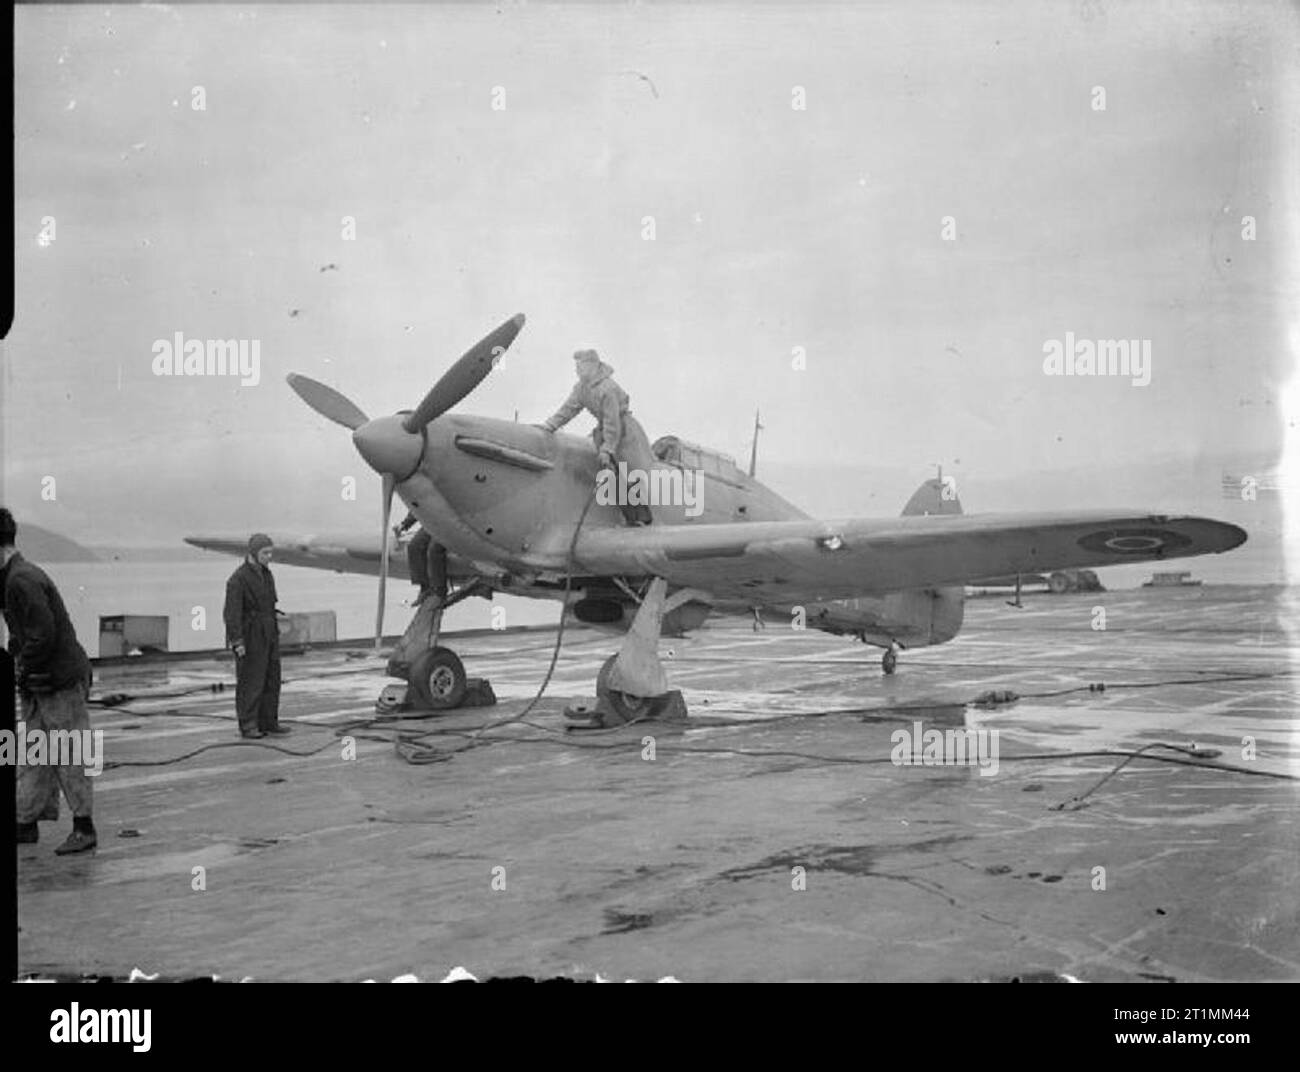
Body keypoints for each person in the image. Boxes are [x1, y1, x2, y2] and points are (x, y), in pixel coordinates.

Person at [0, 508, 97, 854]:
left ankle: (85, 827)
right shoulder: (11, 578)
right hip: (39, 682)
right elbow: (24, 633)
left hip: (59, 681)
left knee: (71, 753)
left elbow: (43, 635)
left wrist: (23, 667)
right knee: (31, 753)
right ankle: (25, 823)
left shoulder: (21, 580)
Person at [537, 349, 655, 525]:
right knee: (609, 472)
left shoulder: (607, 388)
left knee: (627, 471)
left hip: (624, 431)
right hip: (606, 429)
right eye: (576, 366)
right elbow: (569, 409)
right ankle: (630, 517)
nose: (577, 370)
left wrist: (608, 449)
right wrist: (549, 425)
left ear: (592, 366)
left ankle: (642, 517)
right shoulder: (581, 388)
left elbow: (612, 421)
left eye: (580, 366)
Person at [223, 534, 289, 739]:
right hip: (251, 635)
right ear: (253, 553)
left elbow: (270, 605)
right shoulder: (238, 579)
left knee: (272, 679)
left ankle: (269, 722)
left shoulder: (267, 574)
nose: (269, 556)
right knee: (251, 681)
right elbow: (231, 614)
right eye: (265, 553)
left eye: (271, 552)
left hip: (269, 633)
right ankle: (248, 724)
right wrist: (237, 641)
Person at [395, 511, 446, 605]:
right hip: (433, 522)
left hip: (451, 523)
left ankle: (439, 591)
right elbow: (418, 504)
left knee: (434, 550)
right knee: (414, 546)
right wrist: (405, 524)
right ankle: (425, 587)